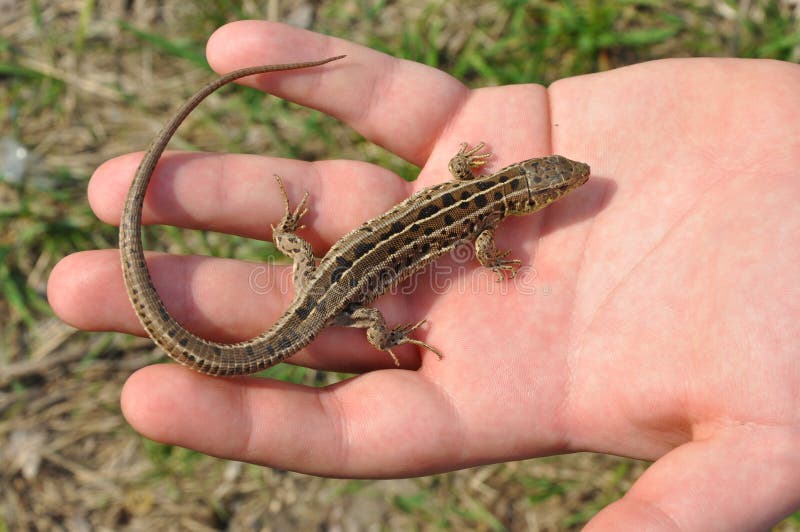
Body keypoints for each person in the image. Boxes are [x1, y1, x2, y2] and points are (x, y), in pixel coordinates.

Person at [48, 20, 800, 530]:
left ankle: (297, 242)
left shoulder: (478, 188)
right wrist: (429, 311)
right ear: (532, 192)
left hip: (327, 277)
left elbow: (467, 175)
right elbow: (479, 250)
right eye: (558, 183)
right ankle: (377, 322)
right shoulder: (484, 221)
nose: (564, 183)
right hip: (340, 298)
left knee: (318, 266)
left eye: (560, 181)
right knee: (368, 315)